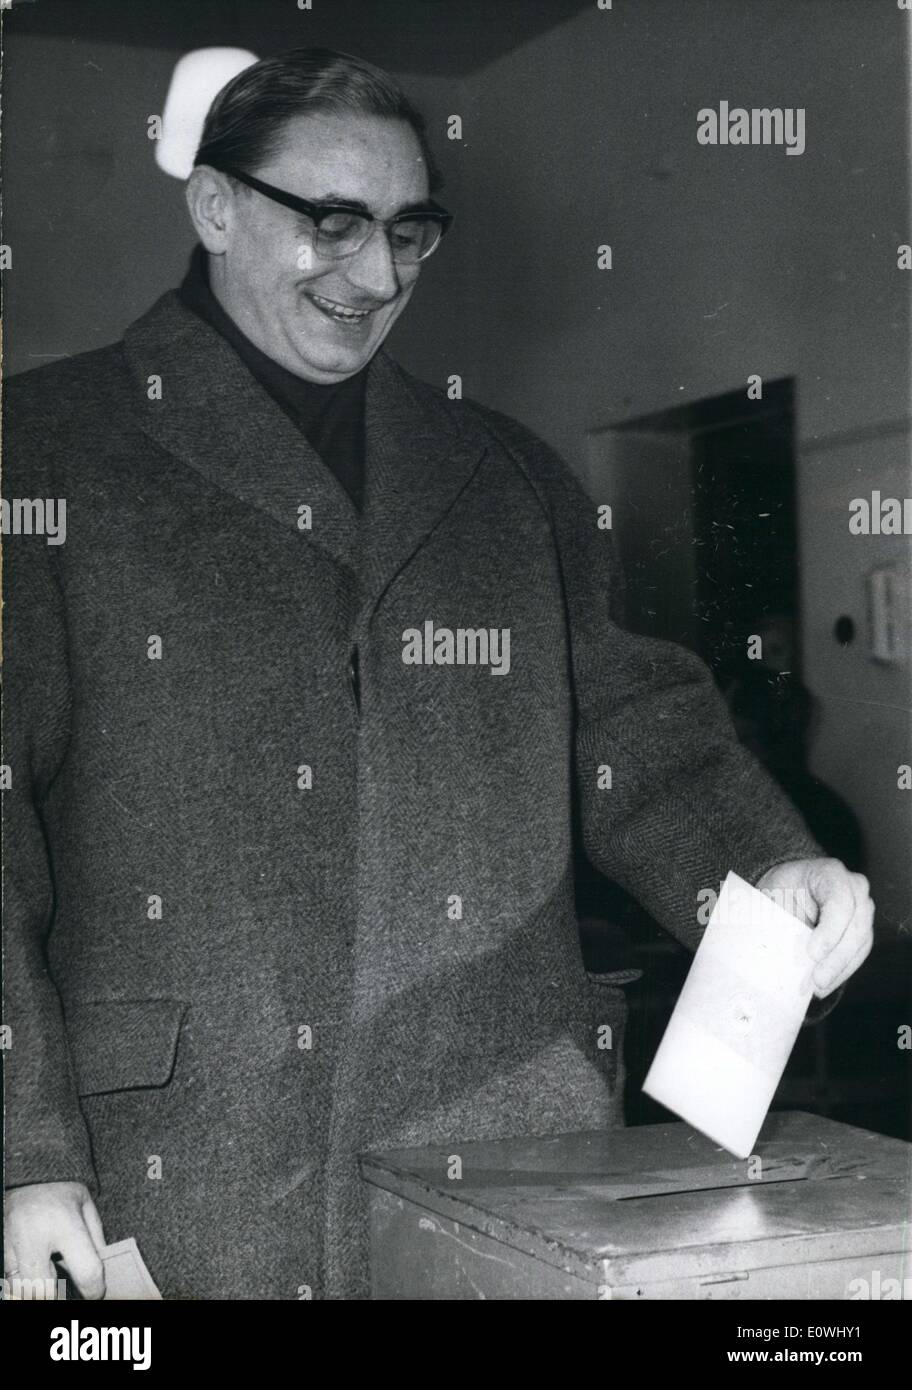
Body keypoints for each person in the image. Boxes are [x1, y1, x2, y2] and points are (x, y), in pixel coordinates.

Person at [2, 48, 874, 1301]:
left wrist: (769, 866)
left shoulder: (509, 474)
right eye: (334, 224)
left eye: (411, 231)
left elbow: (642, 741)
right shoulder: (41, 449)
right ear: (214, 205)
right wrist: (23, 1150)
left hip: (502, 1160)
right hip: (171, 1180)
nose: (378, 274)